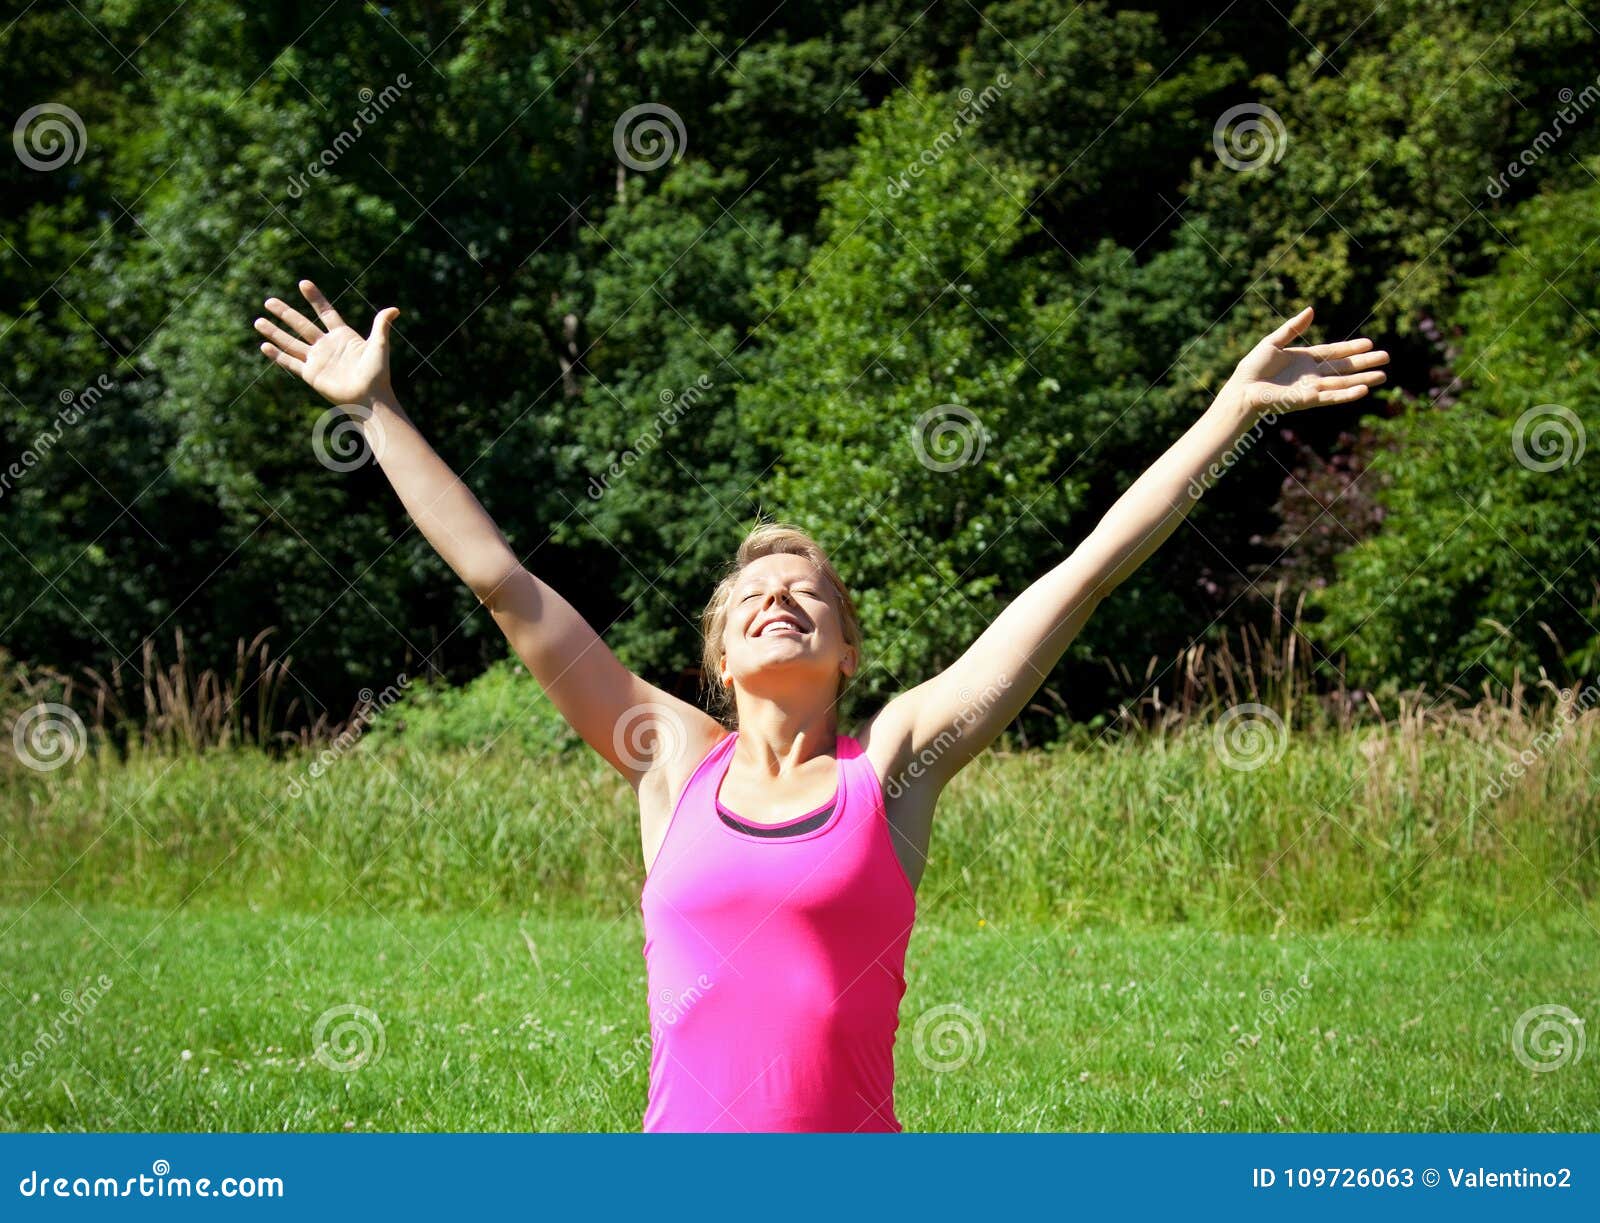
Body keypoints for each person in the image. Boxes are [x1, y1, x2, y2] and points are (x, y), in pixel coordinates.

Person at [255, 280, 1388, 1132]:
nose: (779, 601)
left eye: (808, 594)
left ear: (848, 650)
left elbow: (1083, 572)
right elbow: (502, 582)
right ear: (717, 651)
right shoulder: (667, 760)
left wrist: (1228, 414)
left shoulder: (889, 766)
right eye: (752, 596)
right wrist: (378, 410)